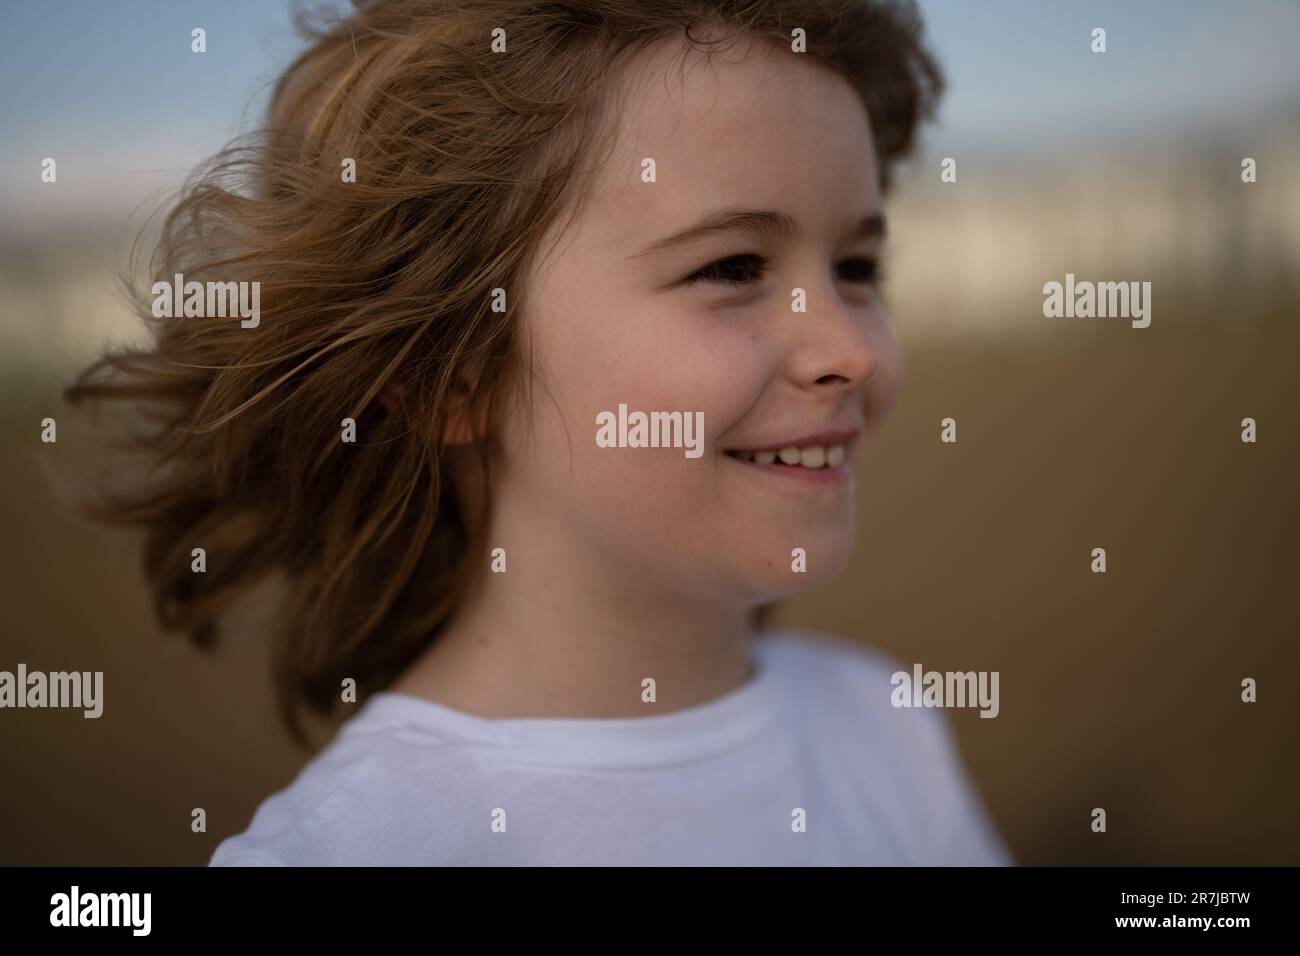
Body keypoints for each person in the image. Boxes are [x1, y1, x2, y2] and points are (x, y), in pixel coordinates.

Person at [65, 0, 1011, 866]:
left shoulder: (882, 726)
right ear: (452, 373)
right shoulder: (364, 848)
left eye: (857, 265)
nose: (847, 345)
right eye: (731, 266)